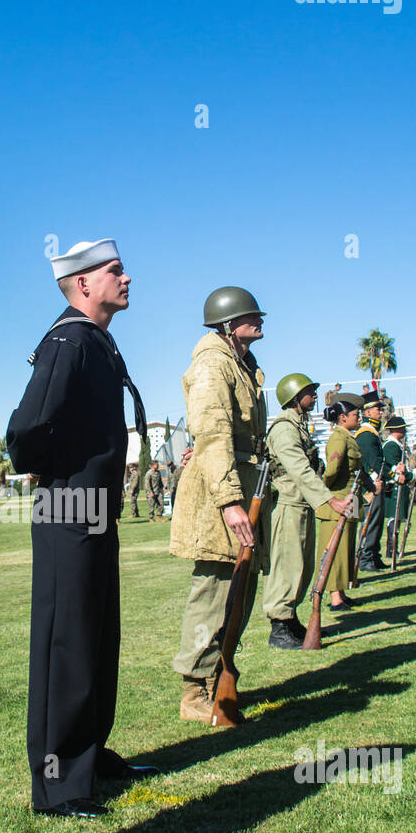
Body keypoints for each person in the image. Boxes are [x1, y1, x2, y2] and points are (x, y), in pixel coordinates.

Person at [6, 239, 155, 819]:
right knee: (66, 640)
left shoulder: (96, 340)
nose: (127, 277)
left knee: (96, 634)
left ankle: (91, 755)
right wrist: (58, 473)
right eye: (115, 270)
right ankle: (60, 780)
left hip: (96, 505)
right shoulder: (67, 340)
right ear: (83, 284)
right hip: (69, 506)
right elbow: (26, 429)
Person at [170, 286, 268, 722]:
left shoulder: (242, 365)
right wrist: (229, 500)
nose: (260, 321)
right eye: (251, 316)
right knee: (213, 591)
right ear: (229, 324)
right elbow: (212, 436)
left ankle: (221, 677)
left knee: (240, 589)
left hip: (242, 482)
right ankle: (195, 692)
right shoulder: (213, 365)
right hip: (220, 491)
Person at [263, 374, 356, 648]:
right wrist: (328, 499)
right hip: (288, 503)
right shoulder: (284, 428)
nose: (315, 396)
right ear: (294, 397)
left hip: (300, 503)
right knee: (287, 566)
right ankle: (279, 627)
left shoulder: (299, 426)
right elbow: (299, 469)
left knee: (302, 567)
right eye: (309, 392)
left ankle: (290, 620)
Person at [313, 394, 373, 610]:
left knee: (346, 548)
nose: (359, 418)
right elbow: (332, 471)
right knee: (335, 549)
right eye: (355, 415)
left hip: (351, 498)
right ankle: (335, 596)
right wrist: (326, 493)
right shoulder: (339, 438)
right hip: (339, 499)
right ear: (342, 418)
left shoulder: (349, 437)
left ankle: (342, 591)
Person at [355, 391, 387, 571]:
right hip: (370, 485)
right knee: (370, 521)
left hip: (375, 483)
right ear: (367, 412)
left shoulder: (372, 432)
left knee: (376, 521)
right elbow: (374, 462)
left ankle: (374, 555)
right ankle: (365, 558)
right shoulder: (366, 434)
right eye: (377, 409)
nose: (380, 412)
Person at [382, 416, 411, 555]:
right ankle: (391, 549)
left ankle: (393, 548)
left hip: (398, 486)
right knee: (394, 518)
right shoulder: (391, 445)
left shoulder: (396, 444)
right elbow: (393, 467)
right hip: (394, 487)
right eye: (403, 427)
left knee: (397, 519)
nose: (405, 430)